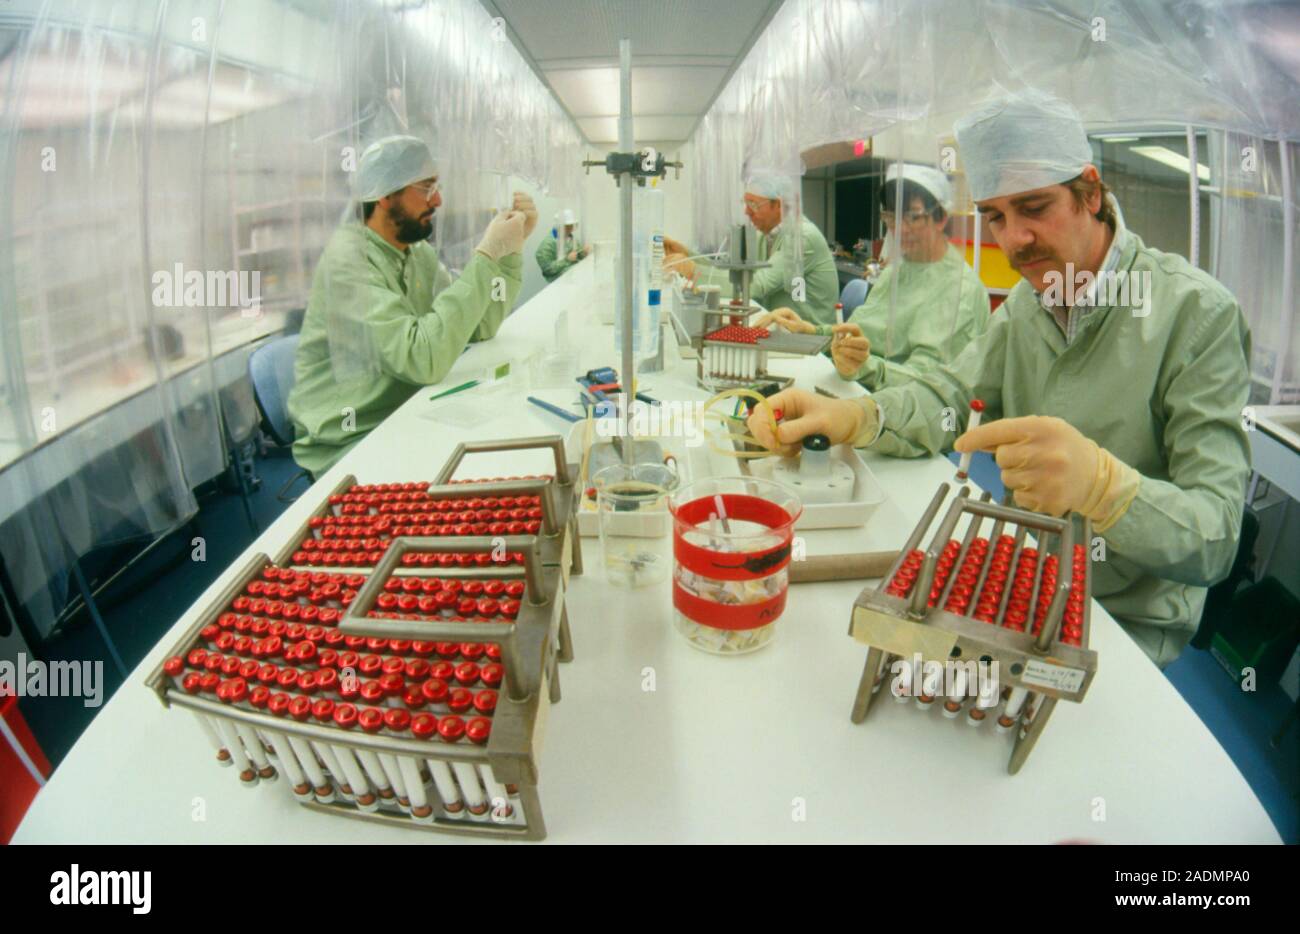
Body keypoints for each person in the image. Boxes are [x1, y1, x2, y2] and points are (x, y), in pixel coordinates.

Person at [747, 91, 1251, 668]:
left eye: (1033, 208)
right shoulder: (1028, 304)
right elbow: (950, 395)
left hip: (1118, 624)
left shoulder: (1197, 316)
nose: (1012, 240)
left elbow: (1216, 538)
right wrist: (862, 415)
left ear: (1091, 193)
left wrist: (1107, 490)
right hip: (1019, 584)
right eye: (995, 216)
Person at [287, 135, 536, 477]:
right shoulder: (347, 261)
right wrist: (485, 255)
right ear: (385, 195)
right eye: (426, 188)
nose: (438, 200)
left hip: (404, 411)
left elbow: (480, 326)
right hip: (352, 439)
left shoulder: (415, 252)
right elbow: (423, 361)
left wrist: (509, 252)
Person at [758, 163, 991, 390]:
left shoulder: (960, 292)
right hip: (861, 386)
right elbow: (863, 332)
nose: (900, 229)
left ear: (941, 218)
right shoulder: (900, 269)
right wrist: (812, 333)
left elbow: (929, 387)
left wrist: (863, 366)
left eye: (913, 217)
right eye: (891, 217)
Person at [662, 177, 840, 326]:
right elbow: (733, 271)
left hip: (808, 341)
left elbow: (756, 286)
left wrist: (693, 270)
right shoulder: (765, 236)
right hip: (779, 328)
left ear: (778, 205)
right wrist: (688, 255)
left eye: (753, 204)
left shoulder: (802, 237)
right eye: (746, 204)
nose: (747, 212)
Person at [535, 209, 589, 282]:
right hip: (559, 282)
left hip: (575, 276)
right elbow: (548, 269)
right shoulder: (546, 246)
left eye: (571, 226)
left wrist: (583, 252)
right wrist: (567, 260)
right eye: (568, 226)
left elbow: (578, 254)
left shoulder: (570, 238)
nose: (571, 229)